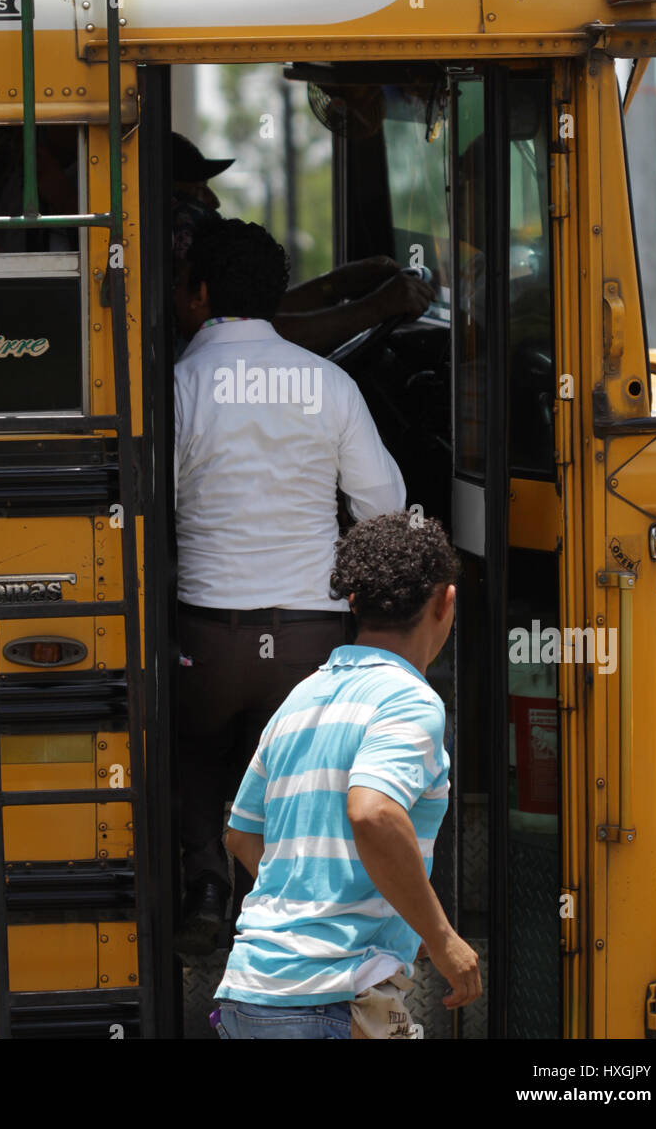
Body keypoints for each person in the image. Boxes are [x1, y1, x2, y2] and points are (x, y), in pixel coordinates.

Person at [173, 218, 407, 955]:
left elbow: (152, 505)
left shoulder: (177, 384)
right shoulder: (327, 383)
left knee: (191, 748)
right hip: (308, 641)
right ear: (276, 297)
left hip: (205, 639)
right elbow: (384, 507)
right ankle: (282, 917)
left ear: (198, 293)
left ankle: (204, 875)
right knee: (289, 776)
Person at [213, 511, 482, 1039]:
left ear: (354, 603)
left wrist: (399, 910)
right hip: (329, 1002)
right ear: (445, 601)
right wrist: (443, 937)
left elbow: (242, 834)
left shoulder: (302, 696)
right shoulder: (410, 702)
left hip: (249, 995)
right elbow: (374, 812)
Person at [171, 132, 433, 356]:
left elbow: (253, 313)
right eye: (197, 190)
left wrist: (336, 284)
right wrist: (377, 307)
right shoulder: (177, 264)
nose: (212, 202)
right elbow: (261, 336)